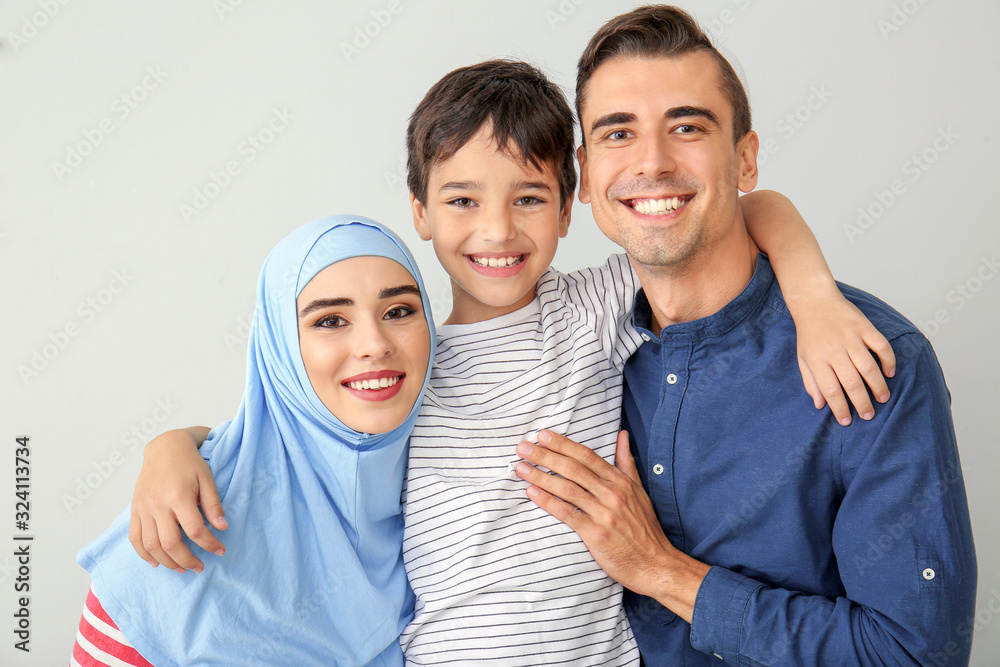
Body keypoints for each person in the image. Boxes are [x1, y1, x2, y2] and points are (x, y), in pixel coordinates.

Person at [124, 62, 897, 665]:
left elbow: (749, 206)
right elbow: (290, 428)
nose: (496, 229)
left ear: (571, 205)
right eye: (462, 201)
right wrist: (174, 446)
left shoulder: (592, 307)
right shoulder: (403, 356)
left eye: (528, 198)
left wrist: (815, 295)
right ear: (420, 212)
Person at [514, 6, 978, 666]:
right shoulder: (569, 347)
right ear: (586, 175)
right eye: (619, 133)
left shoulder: (871, 361)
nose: (653, 161)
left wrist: (660, 570)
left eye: (687, 126)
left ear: (745, 158)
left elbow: (913, 653)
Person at [72, 215, 435, 667]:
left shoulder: (454, 481)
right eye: (331, 320)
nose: (374, 344)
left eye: (398, 312)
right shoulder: (179, 520)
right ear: (278, 346)